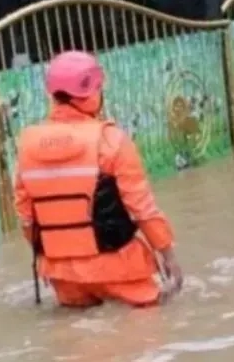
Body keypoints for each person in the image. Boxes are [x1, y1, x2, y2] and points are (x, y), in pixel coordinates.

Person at [14, 51, 183, 308]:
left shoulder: (28, 147)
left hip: (64, 277)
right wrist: (168, 255)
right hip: (119, 268)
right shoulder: (112, 141)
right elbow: (142, 209)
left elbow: (27, 218)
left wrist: (49, 260)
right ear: (92, 93)